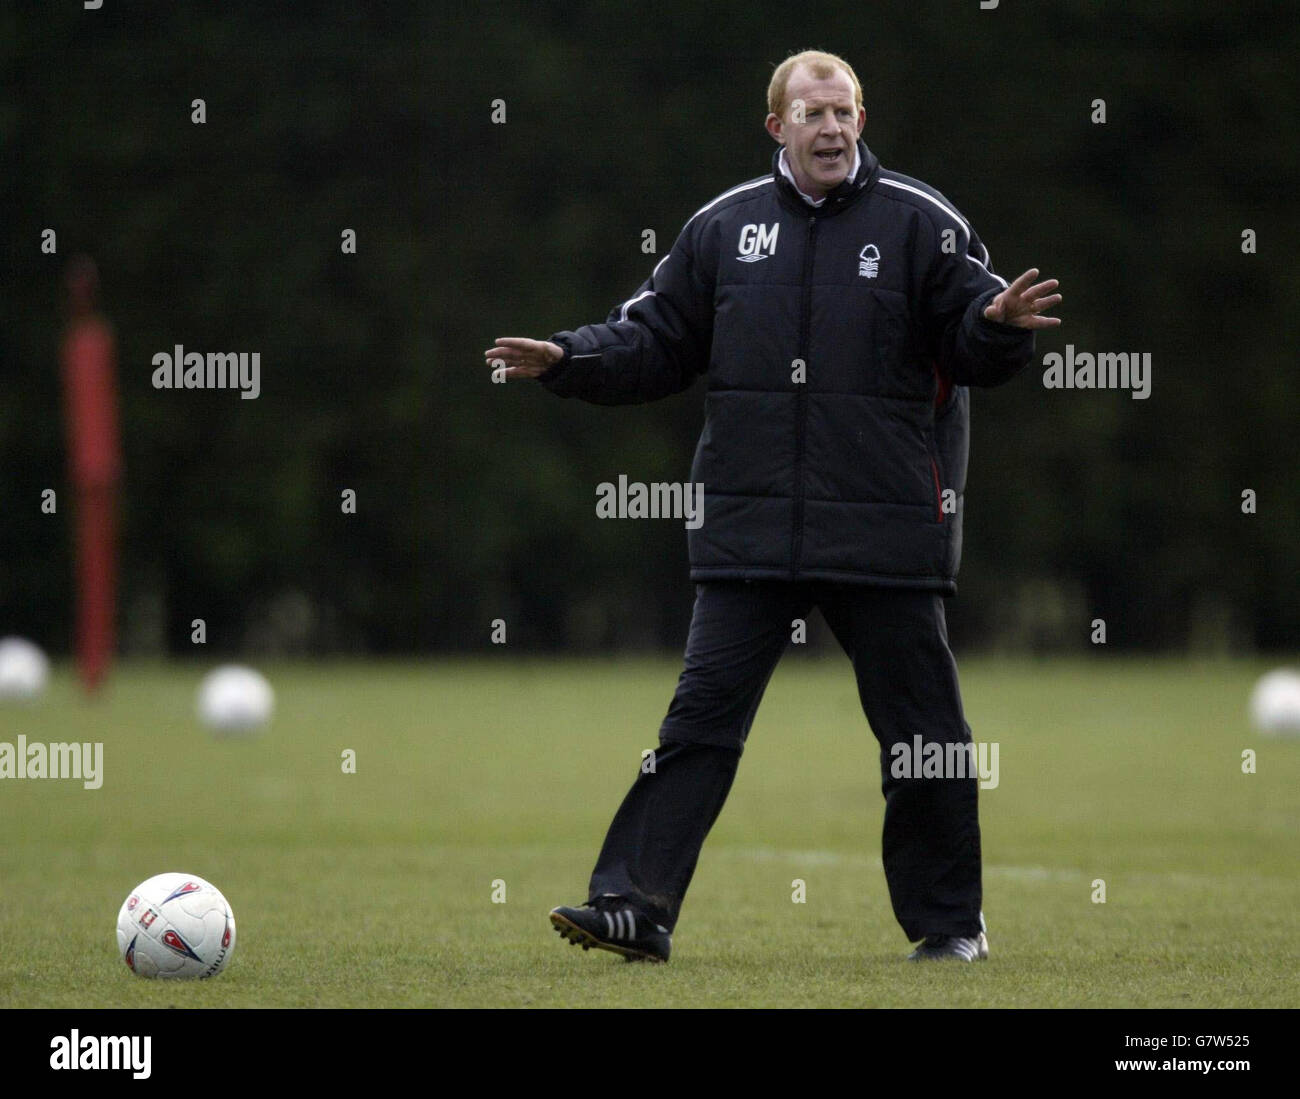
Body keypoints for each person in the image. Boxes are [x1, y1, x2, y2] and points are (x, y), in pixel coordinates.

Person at [484, 49, 1061, 963]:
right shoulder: (723, 228)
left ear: (861, 121)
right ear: (777, 126)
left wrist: (994, 330)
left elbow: (974, 333)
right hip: (751, 531)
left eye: (845, 112)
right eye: (813, 113)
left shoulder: (924, 223)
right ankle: (634, 906)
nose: (832, 128)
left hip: (885, 526)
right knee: (696, 727)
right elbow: (654, 341)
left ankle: (950, 927)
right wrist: (569, 359)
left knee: (926, 743)